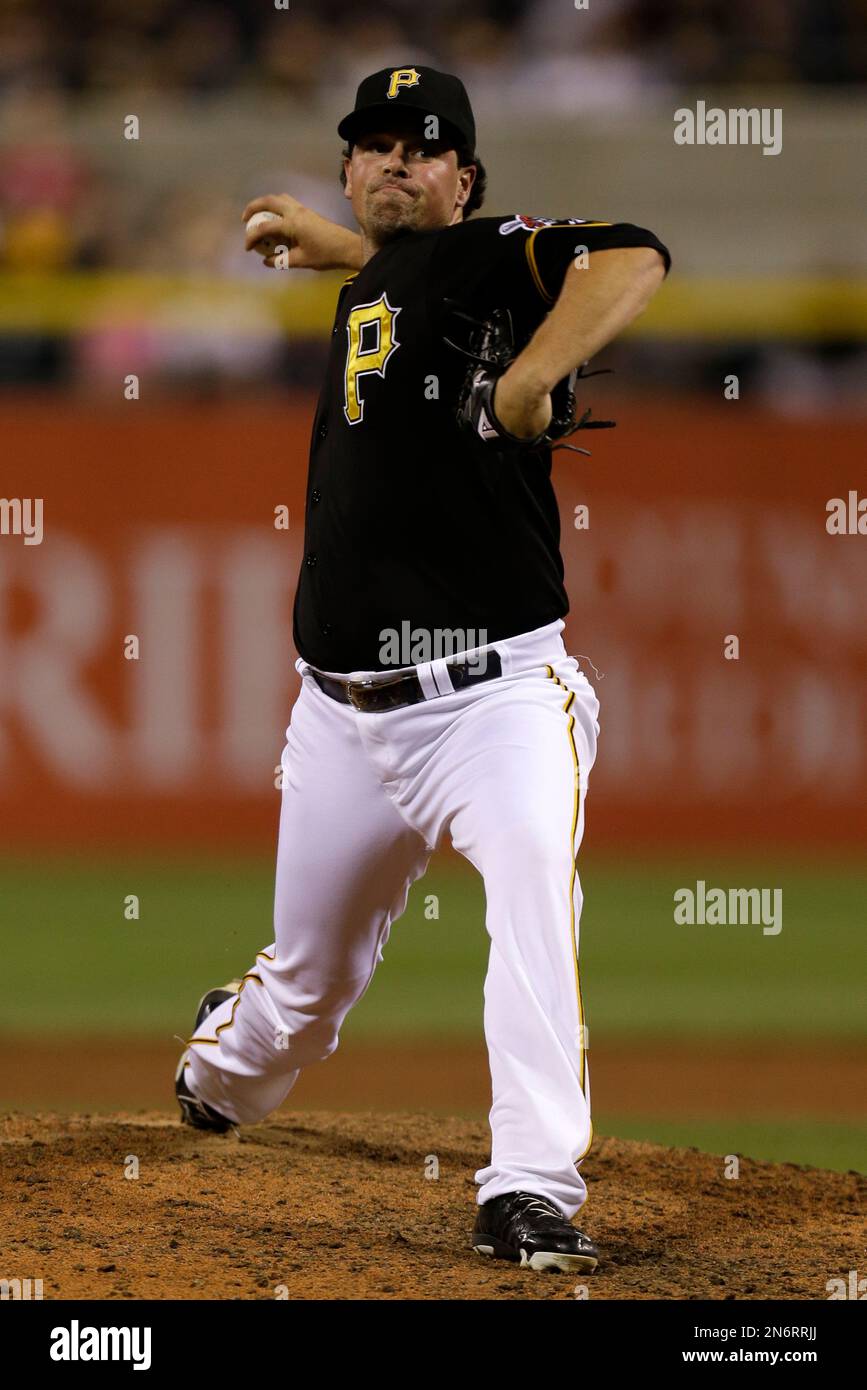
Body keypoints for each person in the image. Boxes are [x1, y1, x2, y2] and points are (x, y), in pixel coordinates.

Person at [176, 65, 670, 1275]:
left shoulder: (503, 253)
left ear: (467, 178)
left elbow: (637, 255)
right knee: (299, 999)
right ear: (348, 167)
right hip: (341, 716)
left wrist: (532, 374)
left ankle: (530, 1185)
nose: (397, 160)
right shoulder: (392, 275)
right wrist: (344, 247)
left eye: (424, 147)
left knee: (530, 904)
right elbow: (410, 275)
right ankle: (224, 1059)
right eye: (374, 144)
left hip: (496, 700)